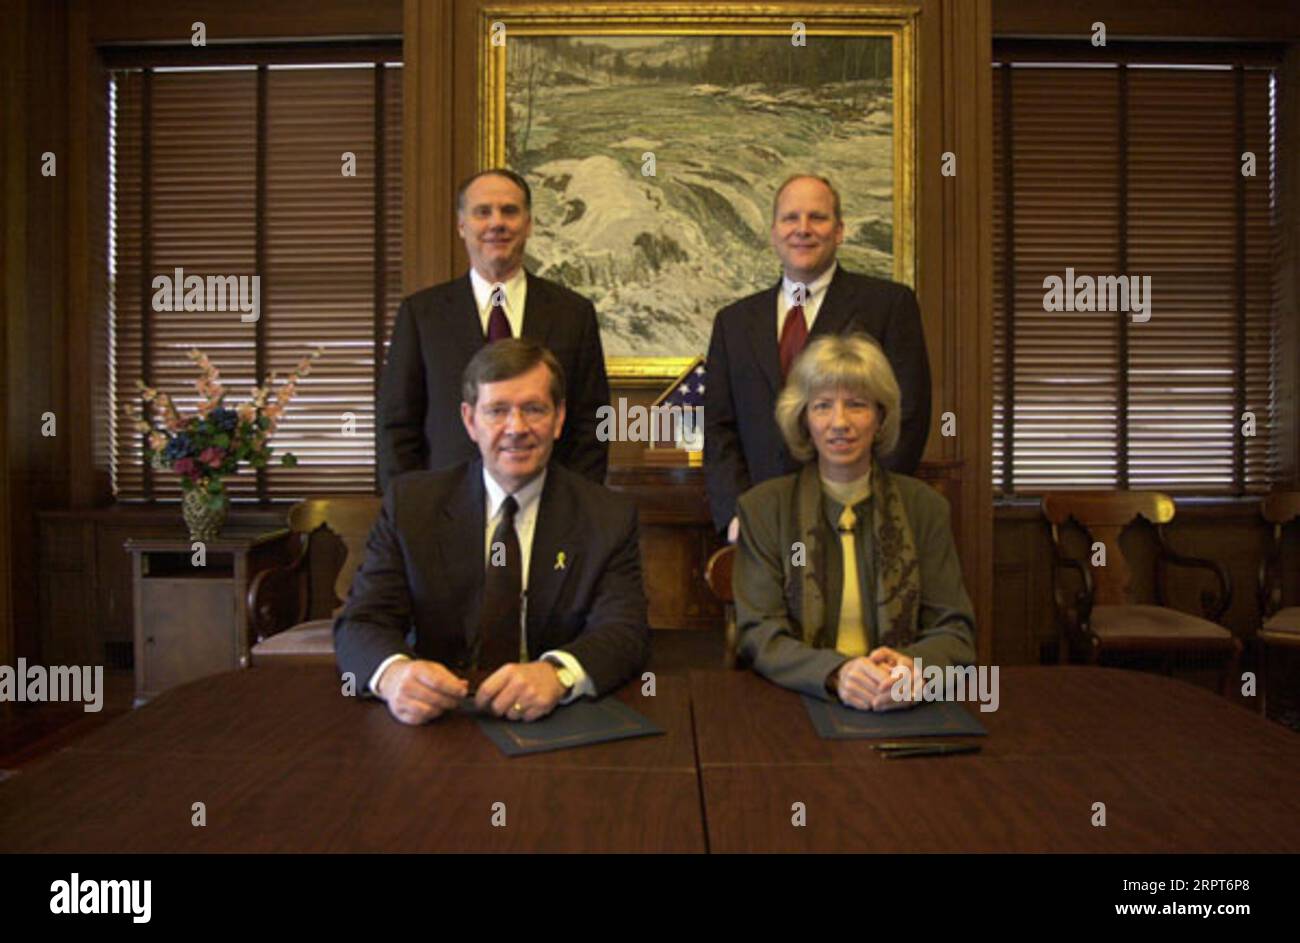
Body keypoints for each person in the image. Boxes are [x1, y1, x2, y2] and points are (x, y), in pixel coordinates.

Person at [337, 338, 649, 726]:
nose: (516, 428)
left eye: (533, 409)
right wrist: (394, 675)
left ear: (559, 418)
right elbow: (362, 622)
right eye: (497, 410)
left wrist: (558, 674)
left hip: (554, 723)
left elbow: (625, 631)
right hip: (438, 721)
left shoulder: (607, 516)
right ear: (470, 420)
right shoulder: (412, 505)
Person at [732, 333, 974, 710]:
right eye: (823, 406)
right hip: (798, 703)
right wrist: (835, 673)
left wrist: (914, 667)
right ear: (804, 419)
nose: (839, 422)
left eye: (857, 405)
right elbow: (758, 634)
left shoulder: (925, 507)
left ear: (881, 418)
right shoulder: (764, 508)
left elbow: (955, 631)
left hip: (903, 701)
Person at [705, 173, 932, 542]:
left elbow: (908, 415)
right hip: (761, 526)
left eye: (818, 217)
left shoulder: (889, 305)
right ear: (774, 231)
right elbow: (718, 429)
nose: (803, 229)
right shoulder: (734, 322)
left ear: (840, 231)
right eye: (791, 218)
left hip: (856, 524)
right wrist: (736, 513)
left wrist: (863, 507)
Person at [377, 168, 610, 491]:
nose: (496, 223)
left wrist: (577, 507)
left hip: (550, 514)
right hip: (445, 515)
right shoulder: (421, 315)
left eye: (509, 211)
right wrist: (411, 510)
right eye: (482, 212)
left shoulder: (574, 314)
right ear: (462, 225)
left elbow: (594, 424)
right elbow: (397, 428)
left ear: (528, 224)